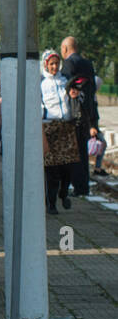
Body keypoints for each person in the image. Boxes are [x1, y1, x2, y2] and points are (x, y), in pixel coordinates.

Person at [41, 49, 82, 214]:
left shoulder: (65, 80)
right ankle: (51, 204)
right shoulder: (41, 83)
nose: (54, 66)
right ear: (45, 64)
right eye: (51, 63)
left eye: (57, 63)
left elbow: (78, 97)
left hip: (66, 128)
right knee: (52, 170)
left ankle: (63, 192)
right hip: (50, 129)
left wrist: (74, 95)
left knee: (69, 167)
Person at [60, 36, 99, 198]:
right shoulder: (88, 64)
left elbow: (65, 87)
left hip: (73, 114)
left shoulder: (69, 64)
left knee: (72, 152)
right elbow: (92, 89)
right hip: (86, 113)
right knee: (82, 152)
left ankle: (75, 185)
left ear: (65, 49)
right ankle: (83, 186)